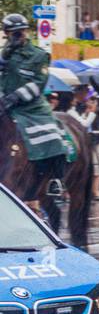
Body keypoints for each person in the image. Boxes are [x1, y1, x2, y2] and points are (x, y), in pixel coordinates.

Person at [0, 13, 75, 216]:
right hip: (5, 105)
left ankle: (54, 180)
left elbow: (38, 84)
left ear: (26, 31)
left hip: (31, 107)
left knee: (53, 137)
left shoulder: (39, 55)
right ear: (6, 33)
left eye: (20, 32)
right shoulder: (3, 55)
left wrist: (15, 97)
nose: (17, 36)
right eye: (12, 33)